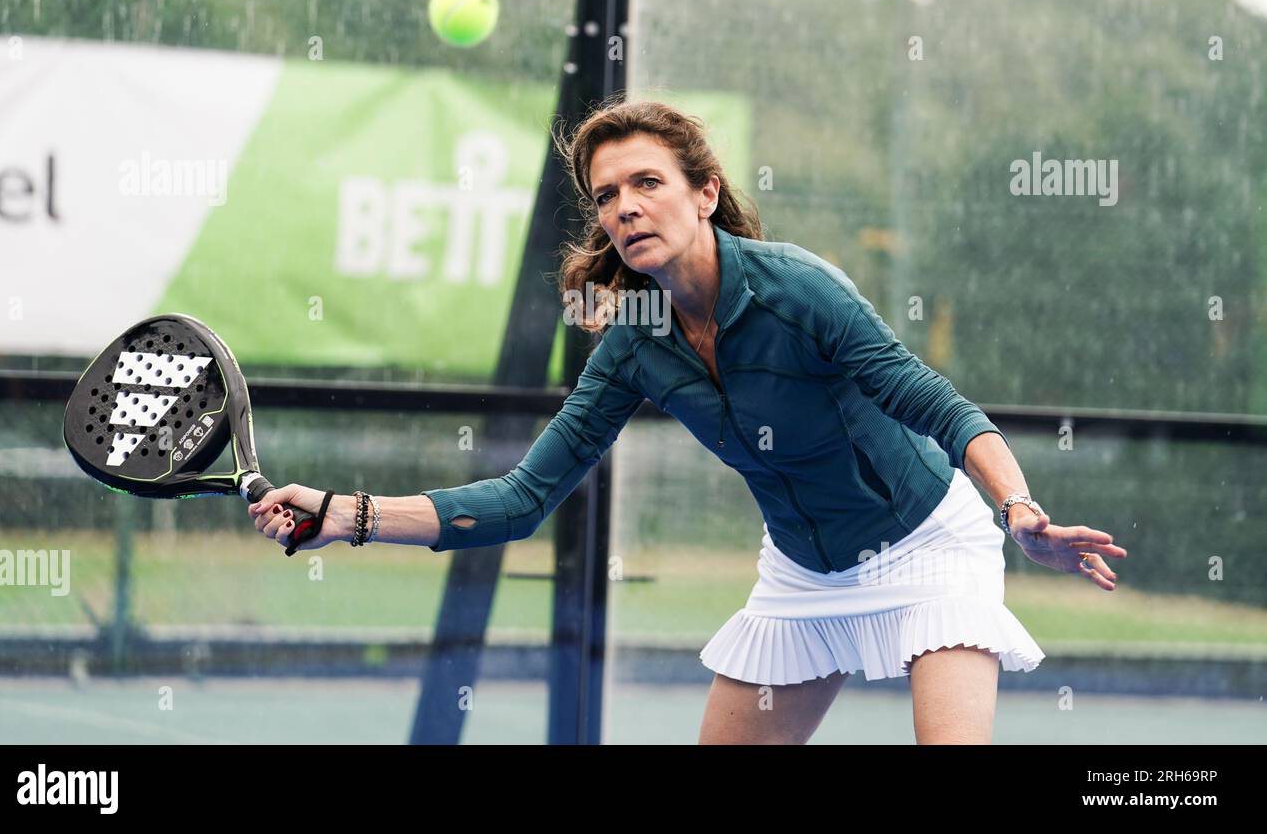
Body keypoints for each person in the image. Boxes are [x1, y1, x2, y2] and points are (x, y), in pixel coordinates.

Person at [248, 98, 1127, 744]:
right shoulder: (632, 341)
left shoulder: (799, 288)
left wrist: (1018, 509)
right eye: (605, 195)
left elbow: (937, 404)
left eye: (646, 183)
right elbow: (523, 498)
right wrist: (345, 516)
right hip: (803, 579)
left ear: (704, 195)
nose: (624, 207)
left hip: (930, 547)